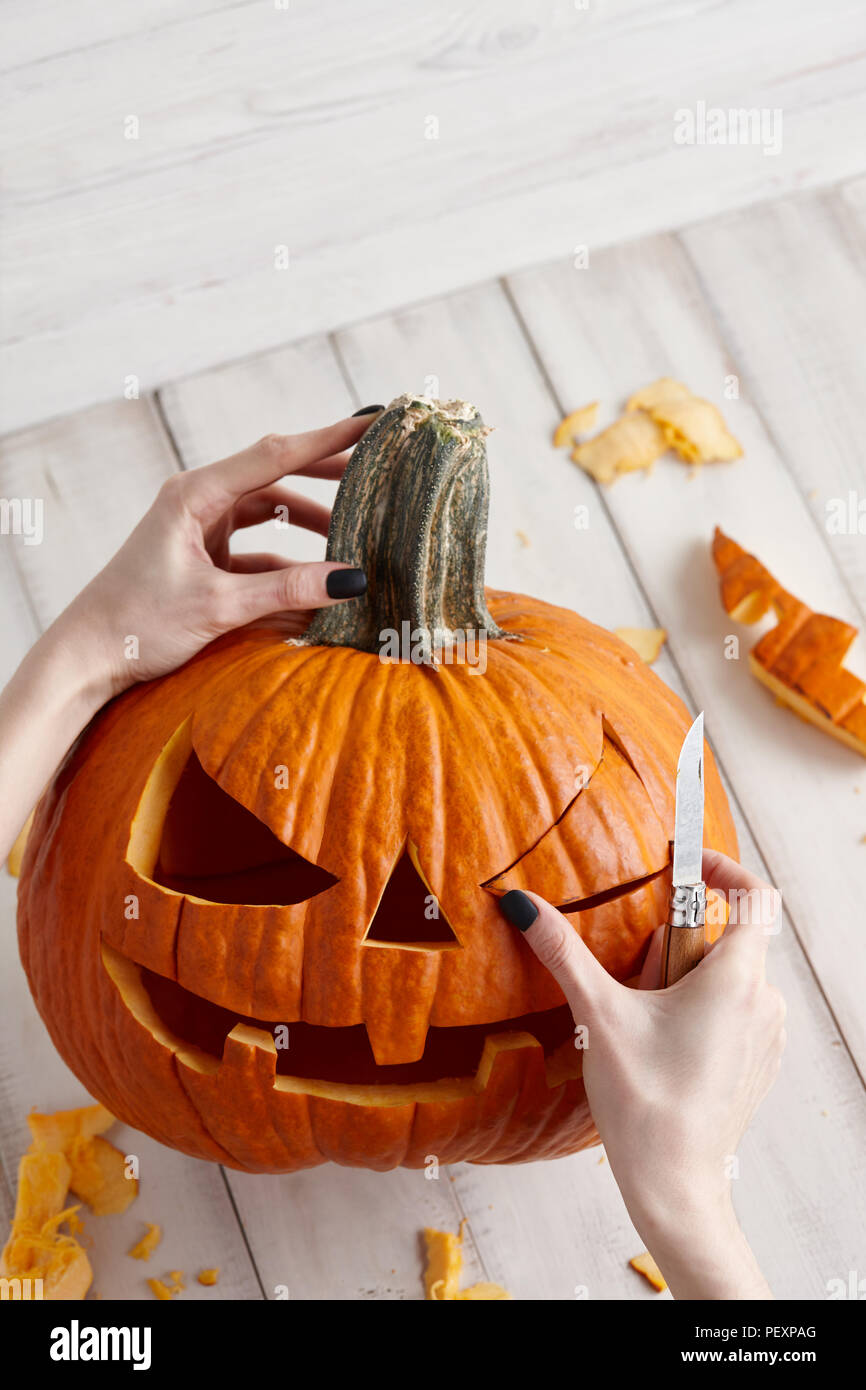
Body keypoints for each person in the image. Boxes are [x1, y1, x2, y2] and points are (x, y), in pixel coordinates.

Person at [0, 412, 785, 1300]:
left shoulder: (590, 692)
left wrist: (90, 652)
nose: (405, 951)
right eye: (276, 844)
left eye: (508, 874)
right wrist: (691, 1209)